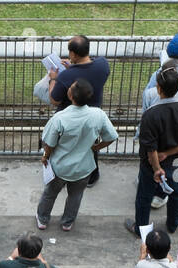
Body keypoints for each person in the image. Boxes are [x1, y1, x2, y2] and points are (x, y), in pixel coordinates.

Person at [125, 67, 178, 236]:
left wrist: (157, 167)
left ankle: (141, 228)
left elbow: (150, 148)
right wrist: (170, 153)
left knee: (144, 196)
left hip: (151, 165)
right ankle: (173, 224)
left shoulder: (151, 115)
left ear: (158, 88)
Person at [37, 80, 118, 231]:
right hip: (84, 167)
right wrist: (96, 147)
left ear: (70, 95)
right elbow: (111, 136)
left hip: (60, 167)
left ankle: (42, 219)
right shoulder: (98, 115)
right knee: (76, 196)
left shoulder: (60, 118)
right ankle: (67, 222)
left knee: (50, 193)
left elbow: (49, 143)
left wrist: (46, 156)